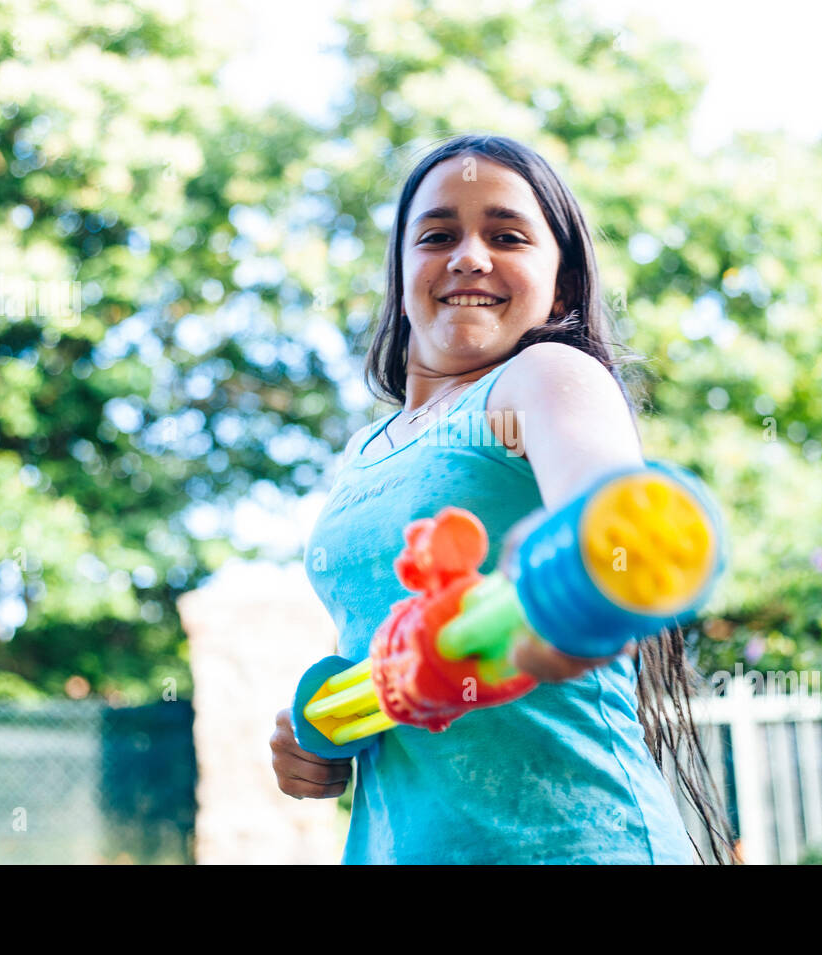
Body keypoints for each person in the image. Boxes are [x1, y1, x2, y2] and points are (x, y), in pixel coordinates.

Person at [271, 133, 738, 864]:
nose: (470, 255)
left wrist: (573, 589)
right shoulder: (364, 454)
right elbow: (389, 658)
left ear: (563, 282)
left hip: (578, 844)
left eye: (507, 234)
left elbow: (609, 526)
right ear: (399, 274)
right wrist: (316, 732)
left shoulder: (544, 375)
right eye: (437, 234)